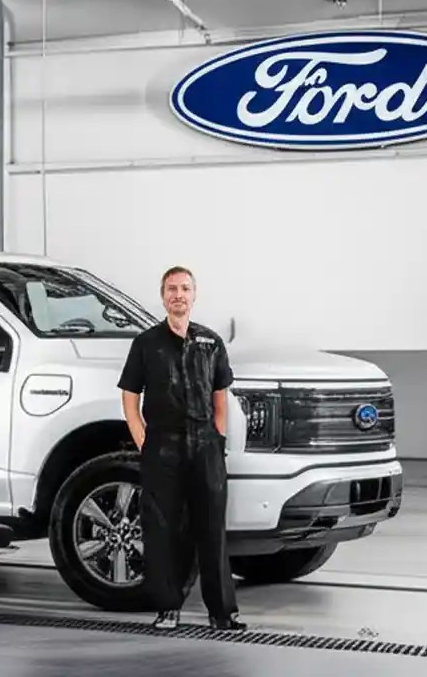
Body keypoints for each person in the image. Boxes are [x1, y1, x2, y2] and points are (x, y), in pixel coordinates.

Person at [117, 265, 245, 631]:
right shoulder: (146, 343)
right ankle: (167, 607)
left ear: (194, 295)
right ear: (163, 296)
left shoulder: (211, 342)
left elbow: (221, 399)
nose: (178, 295)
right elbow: (130, 397)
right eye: (171, 289)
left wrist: (216, 440)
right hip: (163, 447)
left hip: (205, 445)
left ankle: (222, 613)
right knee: (163, 529)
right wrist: (145, 442)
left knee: (212, 530)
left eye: (184, 289)